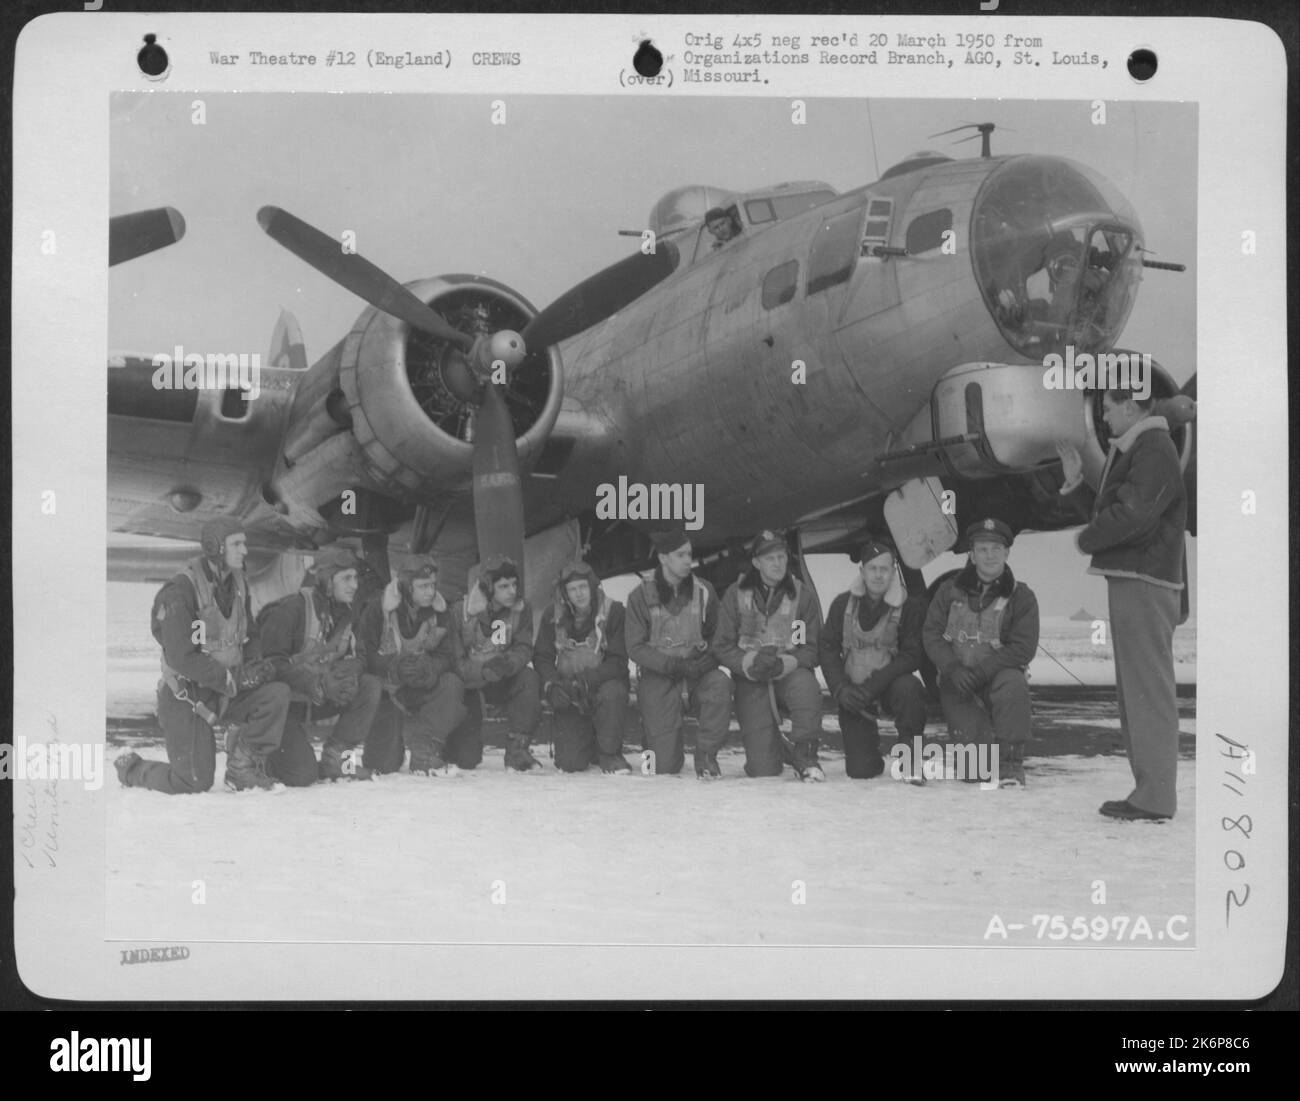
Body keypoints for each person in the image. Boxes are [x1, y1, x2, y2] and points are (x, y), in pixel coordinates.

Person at [1055, 385, 1188, 821]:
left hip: (1145, 583)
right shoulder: (1144, 446)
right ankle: (1148, 791)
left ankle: (1155, 798)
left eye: (1109, 409)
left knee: (1146, 691)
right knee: (1138, 692)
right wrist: (1076, 481)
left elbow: (1132, 515)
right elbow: (1111, 509)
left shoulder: (1152, 447)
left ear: (1132, 407)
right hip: (1137, 580)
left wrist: (1084, 540)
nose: (1104, 418)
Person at [116, 516, 290, 794]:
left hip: (225, 688)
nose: (245, 551)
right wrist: (231, 678)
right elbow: (181, 658)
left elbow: (251, 633)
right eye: (237, 544)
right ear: (214, 547)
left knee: (276, 694)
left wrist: (255, 665)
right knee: (193, 782)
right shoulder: (179, 592)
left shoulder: (239, 584)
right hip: (189, 695)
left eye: (244, 543)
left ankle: (241, 770)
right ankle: (132, 769)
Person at [922, 519, 1039, 788]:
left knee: (1013, 684)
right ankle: (980, 742)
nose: (990, 555)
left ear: (1007, 553)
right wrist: (952, 669)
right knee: (974, 772)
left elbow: (1023, 648)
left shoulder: (1022, 597)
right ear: (972, 555)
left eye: (996, 549)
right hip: (959, 681)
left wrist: (981, 672)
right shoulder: (948, 591)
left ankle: (1010, 764)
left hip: (996, 677)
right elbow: (931, 634)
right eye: (983, 549)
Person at [257, 546, 383, 782]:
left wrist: (350, 670)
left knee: (369, 685)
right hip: (284, 708)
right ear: (326, 580)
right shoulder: (291, 610)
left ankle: (337, 759)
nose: (355, 585)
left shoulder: (348, 613)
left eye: (355, 578)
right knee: (302, 776)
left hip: (317, 698)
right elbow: (269, 666)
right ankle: (255, 749)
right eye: (346, 578)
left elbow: (361, 655)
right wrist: (316, 681)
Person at [713, 531, 825, 781]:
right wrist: (748, 663)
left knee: (806, 687)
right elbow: (722, 646)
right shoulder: (736, 595)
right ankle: (777, 749)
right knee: (763, 770)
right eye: (770, 558)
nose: (777, 563)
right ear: (756, 563)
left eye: (782, 557)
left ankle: (806, 756)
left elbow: (808, 648)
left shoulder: (800, 595)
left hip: (787, 673)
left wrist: (785, 663)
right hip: (750, 678)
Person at [624, 528, 732, 778]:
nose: (687, 561)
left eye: (690, 554)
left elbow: (718, 638)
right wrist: (673, 665)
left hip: (697, 673)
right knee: (659, 769)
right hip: (659, 676)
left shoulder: (704, 591)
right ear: (663, 558)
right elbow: (635, 647)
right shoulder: (639, 595)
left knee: (720, 684)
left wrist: (705, 664)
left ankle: (707, 756)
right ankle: (649, 744)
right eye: (680, 555)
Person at [819, 537, 929, 782]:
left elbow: (912, 655)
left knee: (910, 689)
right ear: (862, 571)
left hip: (889, 687)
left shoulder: (908, 606)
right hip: (854, 691)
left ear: (892, 572)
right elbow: (827, 648)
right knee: (861, 771)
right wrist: (840, 689)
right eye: (873, 568)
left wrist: (873, 686)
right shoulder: (842, 604)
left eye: (884, 569)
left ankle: (910, 757)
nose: (878, 575)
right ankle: (869, 753)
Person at [355, 554, 467, 776]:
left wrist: (431, 667)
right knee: (383, 764)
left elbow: (448, 657)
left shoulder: (441, 612)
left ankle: (425, 750)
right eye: (423, 586)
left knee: (451, 683)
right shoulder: (378, 609)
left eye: (433, 585)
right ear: (406, 587)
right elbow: (364, 654)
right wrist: (393, 666)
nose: (430, 592)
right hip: (389, 690)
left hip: (421, 684)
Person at [534, 560, 633, 774]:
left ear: (592, 587)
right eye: (572, 589)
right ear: (565, 593)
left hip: (601, 686)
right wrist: (552, 686)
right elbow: (542, 656)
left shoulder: (614, 612)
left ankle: (610, 754)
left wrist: (586, 680)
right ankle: (588, 741)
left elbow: (618, 661)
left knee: (614, 692)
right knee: (570, 764)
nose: (579, 594)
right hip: (569, 691)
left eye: (582, 587)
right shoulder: (553, 615)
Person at [449, 554, 543, 771]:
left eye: (514, 584)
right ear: (489, 589)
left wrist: (508, 663)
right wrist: (482, 670)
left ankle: (518, 750)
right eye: (503, 586)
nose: (512, 591)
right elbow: (455, 661)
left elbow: (524, 646)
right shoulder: (460, 612)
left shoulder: (521, 609)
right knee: (465, 760)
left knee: (528, 678)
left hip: (501, 676)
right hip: (469, 683)